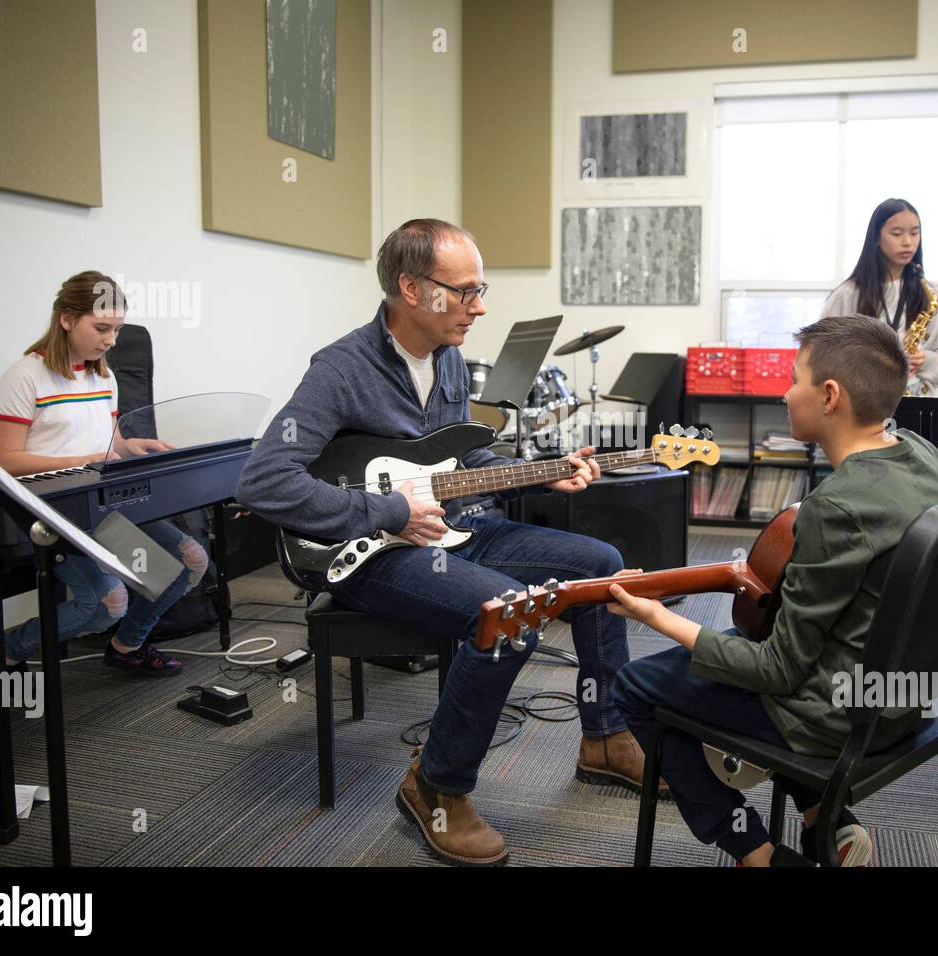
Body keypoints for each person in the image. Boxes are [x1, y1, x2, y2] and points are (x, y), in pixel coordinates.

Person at [236, 219, 649, 867]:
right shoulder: (342, 369)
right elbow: (263, 483)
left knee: (601, 566)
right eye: (463, 292)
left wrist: (547, 469)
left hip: (451, 528)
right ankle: (436, 783)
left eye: (479, 290)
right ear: (410, 288)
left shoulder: (450, 358)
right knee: (511, 619)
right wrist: (387, 510)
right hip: (371, 551)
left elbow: (461, 455)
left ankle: (605, 736)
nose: (479, 307)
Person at [608, 314, 938, 867]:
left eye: (795, 379)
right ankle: (825, 816)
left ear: (830, 396)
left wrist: (657, 618)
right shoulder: (921, 454)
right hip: (909, 697)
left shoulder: (834, 507)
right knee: (733, 640)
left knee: (635, 686)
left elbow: (777, 671)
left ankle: (756, 852)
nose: (784, 392)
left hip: (842, 714)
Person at [0, 271, 208, 675]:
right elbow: (5, 461)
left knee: (188, 562)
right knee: (108, 602)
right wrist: (88, 459)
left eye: (117, 330)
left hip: (102, 504)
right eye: (102, 328)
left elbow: (111, 440)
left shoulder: (101, 374)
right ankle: (7, 646)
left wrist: (130, 447)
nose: (110, 340)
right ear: (67, 319)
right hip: (53, 512)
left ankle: (127, 646)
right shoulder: (24, 377)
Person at [821, 198, 938, 395]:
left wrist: (926, 360)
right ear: (876, 237)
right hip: (862, 402)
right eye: (896, 233)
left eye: (914, 232)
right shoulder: (846, 294)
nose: (908, 242)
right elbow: (822, 355)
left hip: (917, 395)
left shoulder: (935, 294)